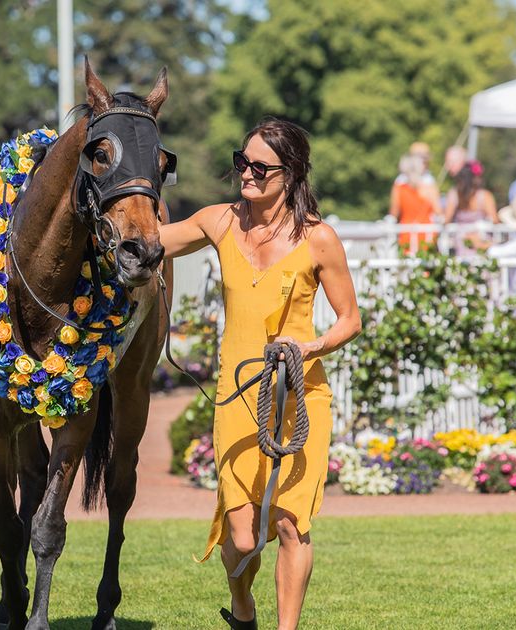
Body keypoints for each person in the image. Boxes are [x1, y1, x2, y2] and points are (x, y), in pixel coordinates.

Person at [159, 117, 361, 630]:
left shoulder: (319, 239)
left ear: (290, 173)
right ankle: (243, 605)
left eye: (258, 166)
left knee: (293, 523)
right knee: (243, 538)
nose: (245, 174)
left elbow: (350, 320)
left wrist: (311, 344)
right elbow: (148, 242)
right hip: (238, 397)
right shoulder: (219, 222)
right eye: (240, 162)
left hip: (300, 393)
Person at [444, 160, 498, 255]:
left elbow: (446, 219)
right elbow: (494, 220)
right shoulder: (485, 196)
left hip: (462, 240)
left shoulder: (454, 194)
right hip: (480, 239)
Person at [388, 153, 438, 254]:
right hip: (427, 232)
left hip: (407, 231)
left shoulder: (399, 188)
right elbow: (438, 211)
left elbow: (394, 213)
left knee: (407, 264)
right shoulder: (429, 188)